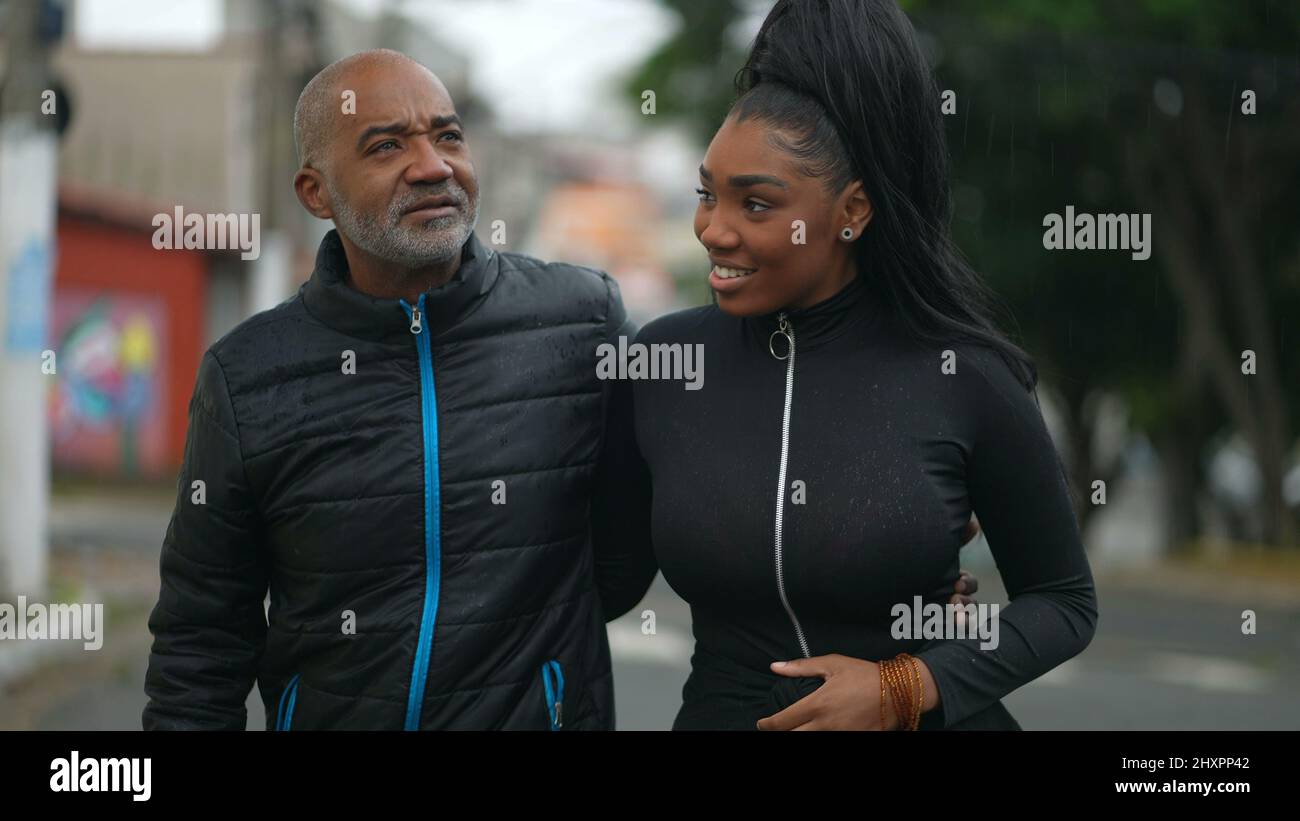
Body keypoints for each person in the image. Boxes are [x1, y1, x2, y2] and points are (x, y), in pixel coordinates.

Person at [592, 0, 1098, 730]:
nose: (712, 229)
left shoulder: (965, 375)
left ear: (852, 210)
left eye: (755, 204)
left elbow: (1063, 601)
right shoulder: (660, 367)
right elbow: (600, 581)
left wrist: (907, 684)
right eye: (707, 194)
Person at [142, 49, 636, 730]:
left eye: (449, 135)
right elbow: (201, 638)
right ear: (316, 192)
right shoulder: (248, 375)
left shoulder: (581, 323)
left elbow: (622, 555)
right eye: (386, 146)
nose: (434, 165)